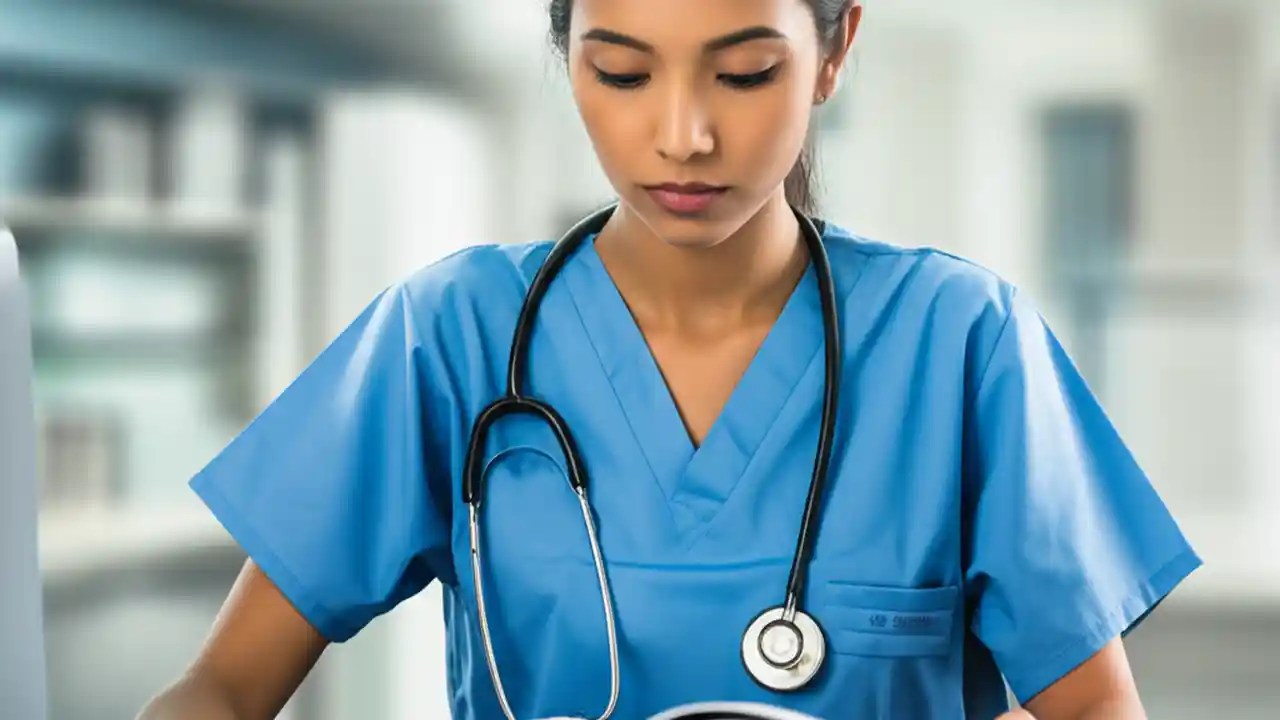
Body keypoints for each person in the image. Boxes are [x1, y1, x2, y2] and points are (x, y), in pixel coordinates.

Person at [139, 1, 1200, 718]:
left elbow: (1094, 706)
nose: (681, 134)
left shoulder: (958, 342)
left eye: (742, 73)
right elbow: (224, 688)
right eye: (621, 71)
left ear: (833, 53)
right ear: (567, 58)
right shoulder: (448, 335)